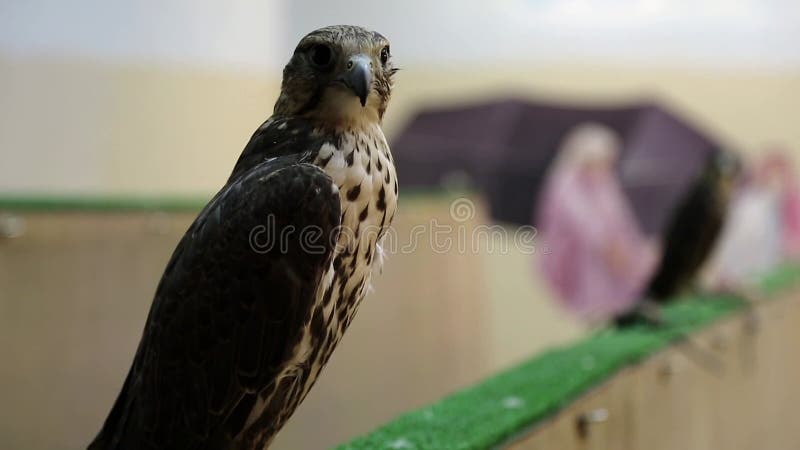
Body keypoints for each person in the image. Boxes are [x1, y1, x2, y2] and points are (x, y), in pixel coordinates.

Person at [536, 123, 659, 323]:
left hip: (612, 258)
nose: (605, 166)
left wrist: (628, 249)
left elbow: (621, 218)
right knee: (594, 304)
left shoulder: (604, 183)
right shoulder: (566, 184)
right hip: (582, 258)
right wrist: (605, 245)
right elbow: (581, 220)